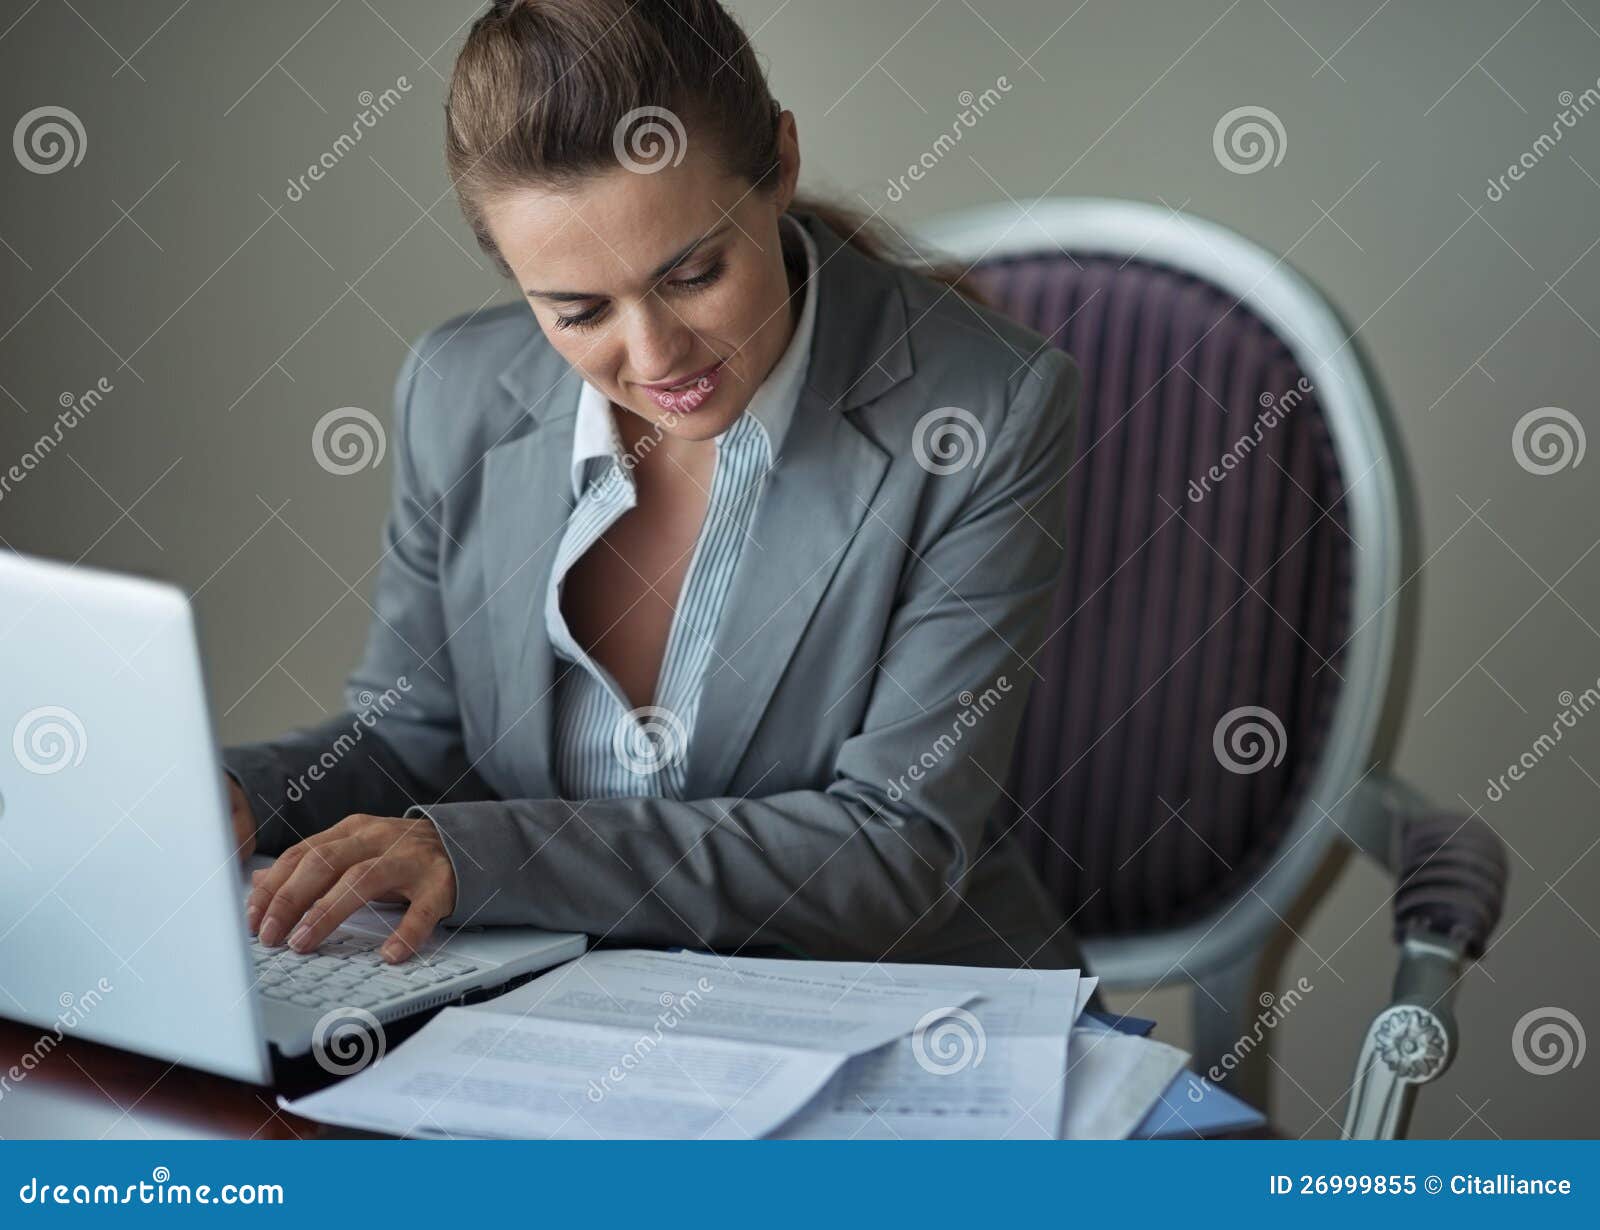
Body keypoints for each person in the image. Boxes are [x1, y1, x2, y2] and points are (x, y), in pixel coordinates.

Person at [228, 0, 1088, 982]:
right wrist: (237, 789)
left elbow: (896, 849)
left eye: (693, 274)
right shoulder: (456, 390)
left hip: (893, 1000)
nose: (654, 357)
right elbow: (415, 735)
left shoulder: (988, 406)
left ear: (781, 163)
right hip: (549, 1001)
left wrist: (483, 859)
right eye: (578, 309)